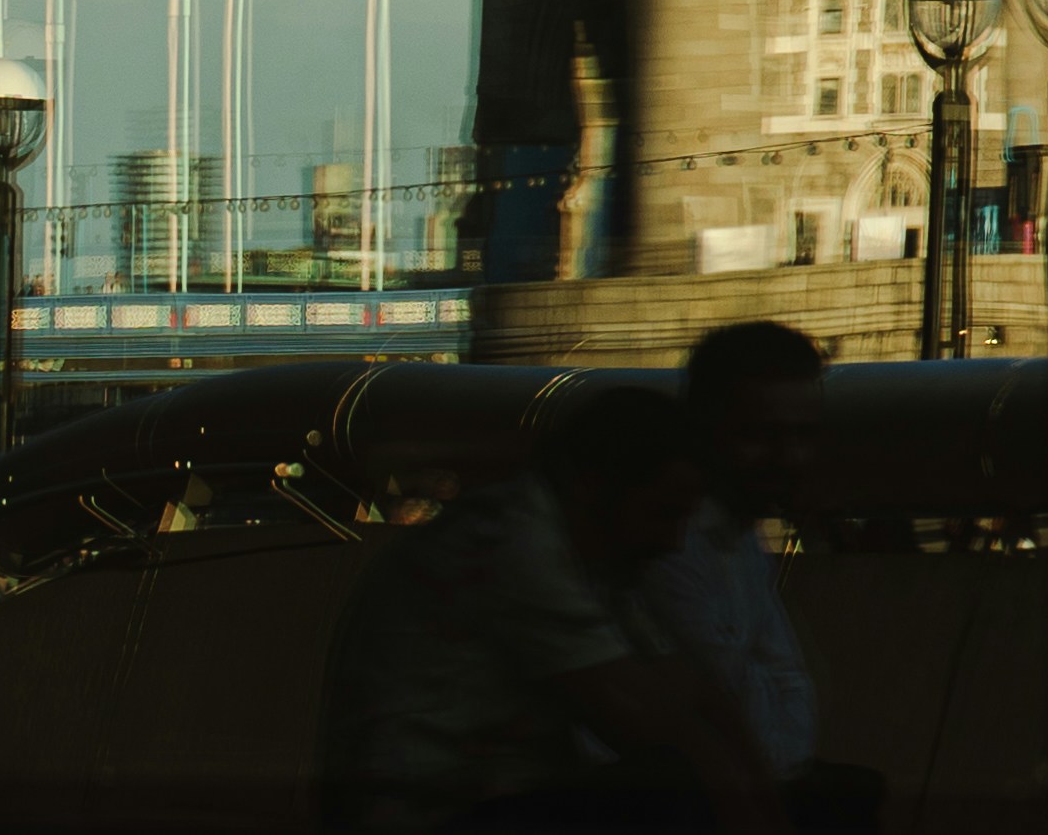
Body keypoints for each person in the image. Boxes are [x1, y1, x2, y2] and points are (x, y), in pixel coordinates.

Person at [321, 383, 781, 835]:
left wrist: (773, 797)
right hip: (430, 813)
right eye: (663, 514)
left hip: (495, 802)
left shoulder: (599, 552)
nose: (673, 541)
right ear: (592, 486)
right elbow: (649, 721)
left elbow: (694, 692)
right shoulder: (512, 542)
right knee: (674, 789)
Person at [645, 321, 880, 827]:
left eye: (801, 436)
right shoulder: (671, 547)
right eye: (759, 435)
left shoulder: (737, 541)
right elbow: (747, 712)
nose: (788, 458)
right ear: (704, 428)